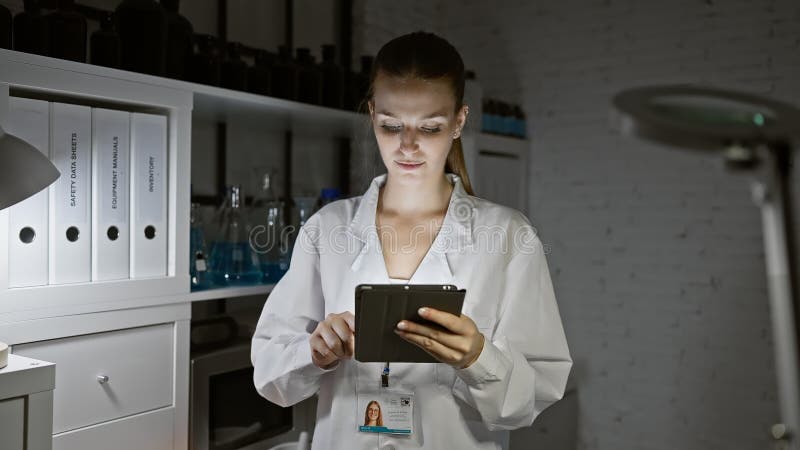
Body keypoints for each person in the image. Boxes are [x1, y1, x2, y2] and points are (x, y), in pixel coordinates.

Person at [251, 31, 572, 450]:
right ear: (372, 115)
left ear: (459, 121)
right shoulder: (327, 229)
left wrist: (477, 357)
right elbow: (270, 377)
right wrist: (315, 351)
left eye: (431, 127)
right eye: (390, 125)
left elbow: (534, 397)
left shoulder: (510, 236)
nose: (408, 146)